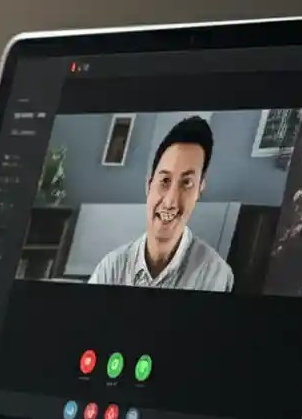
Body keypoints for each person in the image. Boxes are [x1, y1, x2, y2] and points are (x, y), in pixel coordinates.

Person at [89, 116, 234, 292]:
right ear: (148, 185)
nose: (170, 201)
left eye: (187, 183)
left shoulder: (216, 276)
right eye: (165, 180)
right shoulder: (110, 269)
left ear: (199, 190)